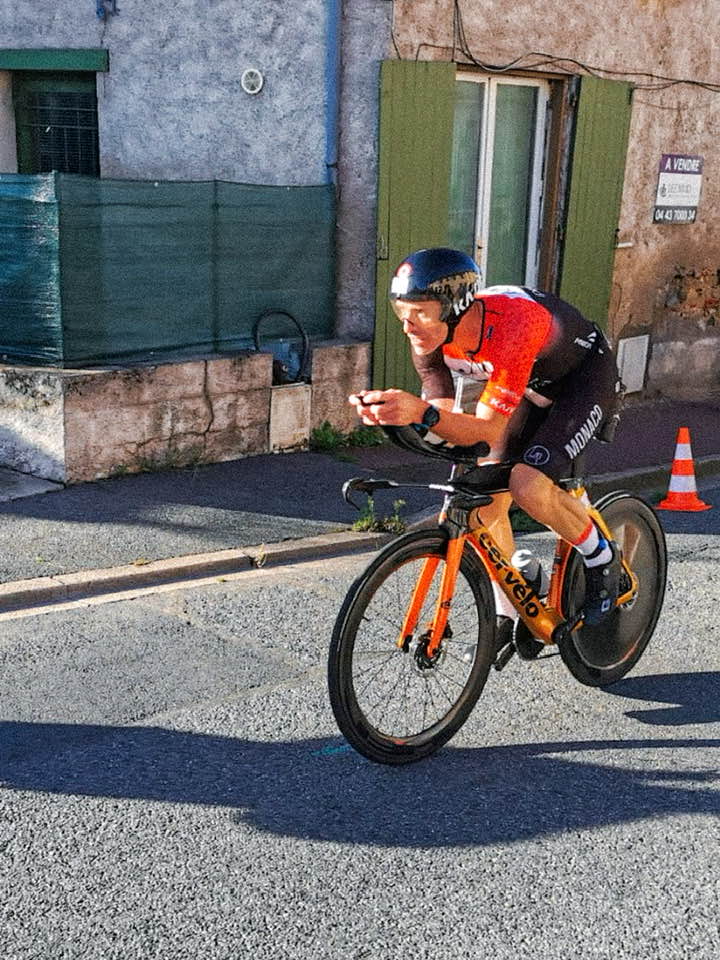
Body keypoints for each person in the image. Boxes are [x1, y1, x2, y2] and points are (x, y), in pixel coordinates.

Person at [349, 247, 623, 653]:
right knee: (483, 504)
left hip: (582, 382)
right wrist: (400, 417)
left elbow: (485, 427)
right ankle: (510, 609)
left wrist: (419, 411)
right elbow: (447, 424)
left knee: (527, 483)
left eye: (420, 311)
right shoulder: (428, 337)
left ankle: (603, 560)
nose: (408, 325)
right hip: (529, 386)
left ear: (455, 306)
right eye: (401, 311)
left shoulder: (512, 325)